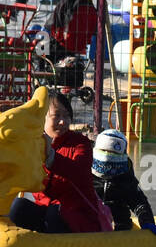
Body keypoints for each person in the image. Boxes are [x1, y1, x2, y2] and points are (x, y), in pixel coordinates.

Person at [9, 92, 111, 234]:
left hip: (78, 213)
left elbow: (78, 171)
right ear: (42, 119)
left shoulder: (81, 143)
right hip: (46, 208)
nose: (62, 121)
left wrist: (51, 156)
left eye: (66, 116)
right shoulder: (34, 143)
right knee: (18, 207)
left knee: (54, 213)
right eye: (56, 116)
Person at [91, 130, 156, 235]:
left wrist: (147, 221)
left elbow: (139, 202)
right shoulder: (84, 174)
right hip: (91, 227)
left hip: (121, 228)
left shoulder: (126, 178)